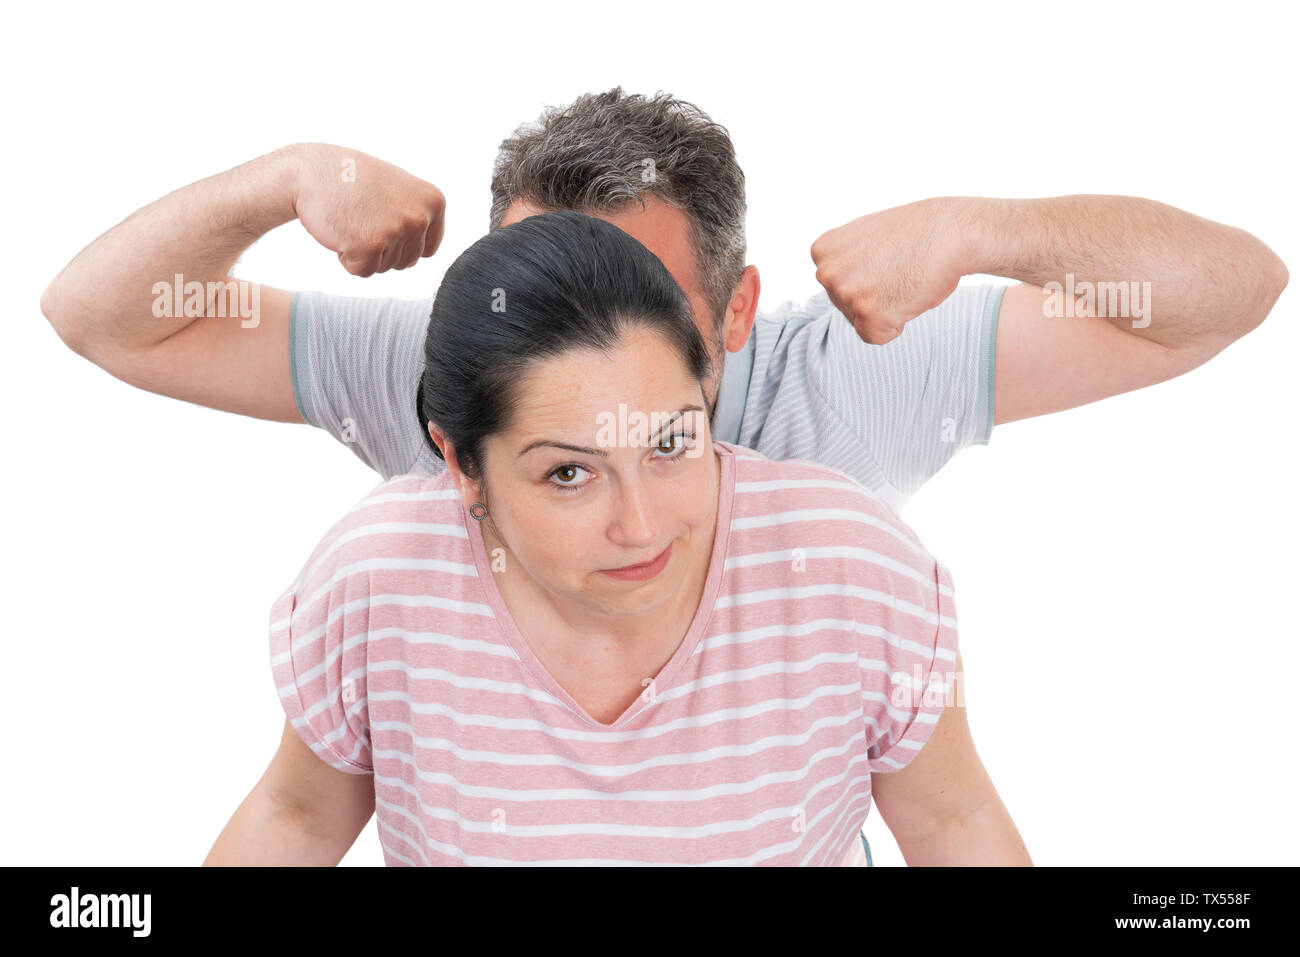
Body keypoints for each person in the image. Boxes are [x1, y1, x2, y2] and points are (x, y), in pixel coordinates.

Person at [205, 211, 1030, 866]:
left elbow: (956, 824)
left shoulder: (851, 565)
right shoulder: (379, 579)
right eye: (570, 473)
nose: (641, 525)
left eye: (671, 444)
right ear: (460, 463)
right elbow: (295, 819)